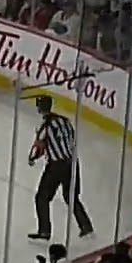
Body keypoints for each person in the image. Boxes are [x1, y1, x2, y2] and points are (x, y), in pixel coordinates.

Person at [28, 95, 94, 240]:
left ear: (40, 108)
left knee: (42, 198)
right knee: (71, 197)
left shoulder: (45, 126)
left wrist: (32, 158)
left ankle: (44, 231)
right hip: (72, 163)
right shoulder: (65, 121)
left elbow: (39, 147)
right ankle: (86, 226)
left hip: (56, 166)